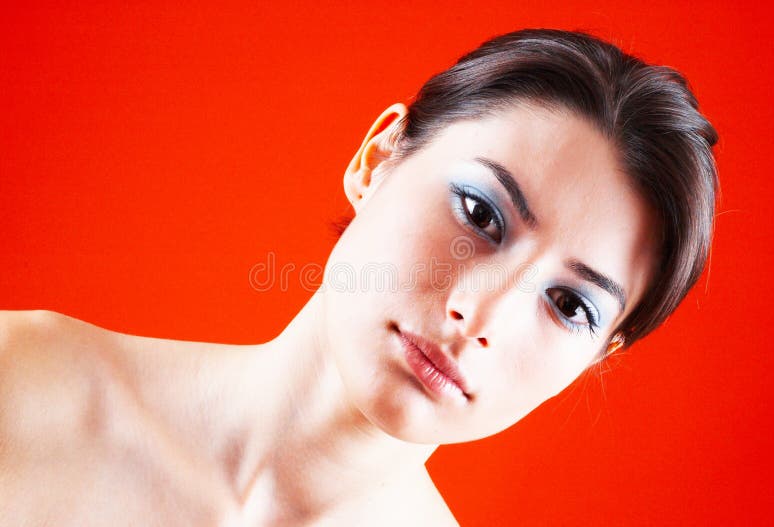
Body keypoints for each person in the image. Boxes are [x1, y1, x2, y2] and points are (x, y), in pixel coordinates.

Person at [0, 29, 717, 526]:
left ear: (602, 353)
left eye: (569, 305)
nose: (481, 314)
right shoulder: (18, 383)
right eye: (480, 212)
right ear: (376, 160)